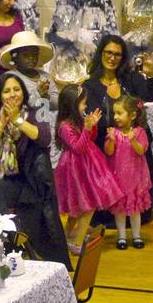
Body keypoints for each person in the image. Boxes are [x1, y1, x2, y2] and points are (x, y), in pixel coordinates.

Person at [0, 73, 69, 266]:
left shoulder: (33, 113)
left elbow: (44, 139)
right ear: (0, 95)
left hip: (8, 179)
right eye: (7, 91)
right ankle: (10, 226)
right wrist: (3, 123)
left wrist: (18, 120)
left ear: (23, 92)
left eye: (16, 89)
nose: (12, 94)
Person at [54, 85, 121, 257]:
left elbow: (89, 139)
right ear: (72, 105)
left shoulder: (76, 121)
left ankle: (65, 237)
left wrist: (92, 127)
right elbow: (77, 147)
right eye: (83, 103)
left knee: (81, 207)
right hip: (75, 170)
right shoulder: (64, 127)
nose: (85, 107)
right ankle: (76, 242)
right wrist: (87, 128)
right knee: (87, 207)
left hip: (87, 165)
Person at [83, 33, 153, 168]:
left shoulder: (132, 79)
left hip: (136, 154)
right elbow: (94, 121)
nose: (112, 58)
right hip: (107, 153)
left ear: (123, 57)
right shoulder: (89, 86)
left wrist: (151, 75)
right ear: (101, 54)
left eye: (117, 54)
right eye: (108, 52)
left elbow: (152, 95)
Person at [104, 95, 153, 250]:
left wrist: (132, 140)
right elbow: (109, 152)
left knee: (135, 210)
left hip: (135, 179)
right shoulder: (114, 133)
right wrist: (111, 140)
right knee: (119, 210)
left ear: (132, 115)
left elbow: (141, 151)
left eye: (119, 113)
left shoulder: (139, 133)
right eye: (114, 113)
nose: (116, 117)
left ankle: (136, 235)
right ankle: (122, 236)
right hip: (119, 179)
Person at [0, 30, 53, 111]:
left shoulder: (45, 76)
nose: (31, 57)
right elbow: (17, 107)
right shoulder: (10, 78)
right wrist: (37, 94)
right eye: (26, 55)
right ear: (15, 58)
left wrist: (46, 97)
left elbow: (57, 103)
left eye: (34, 54)